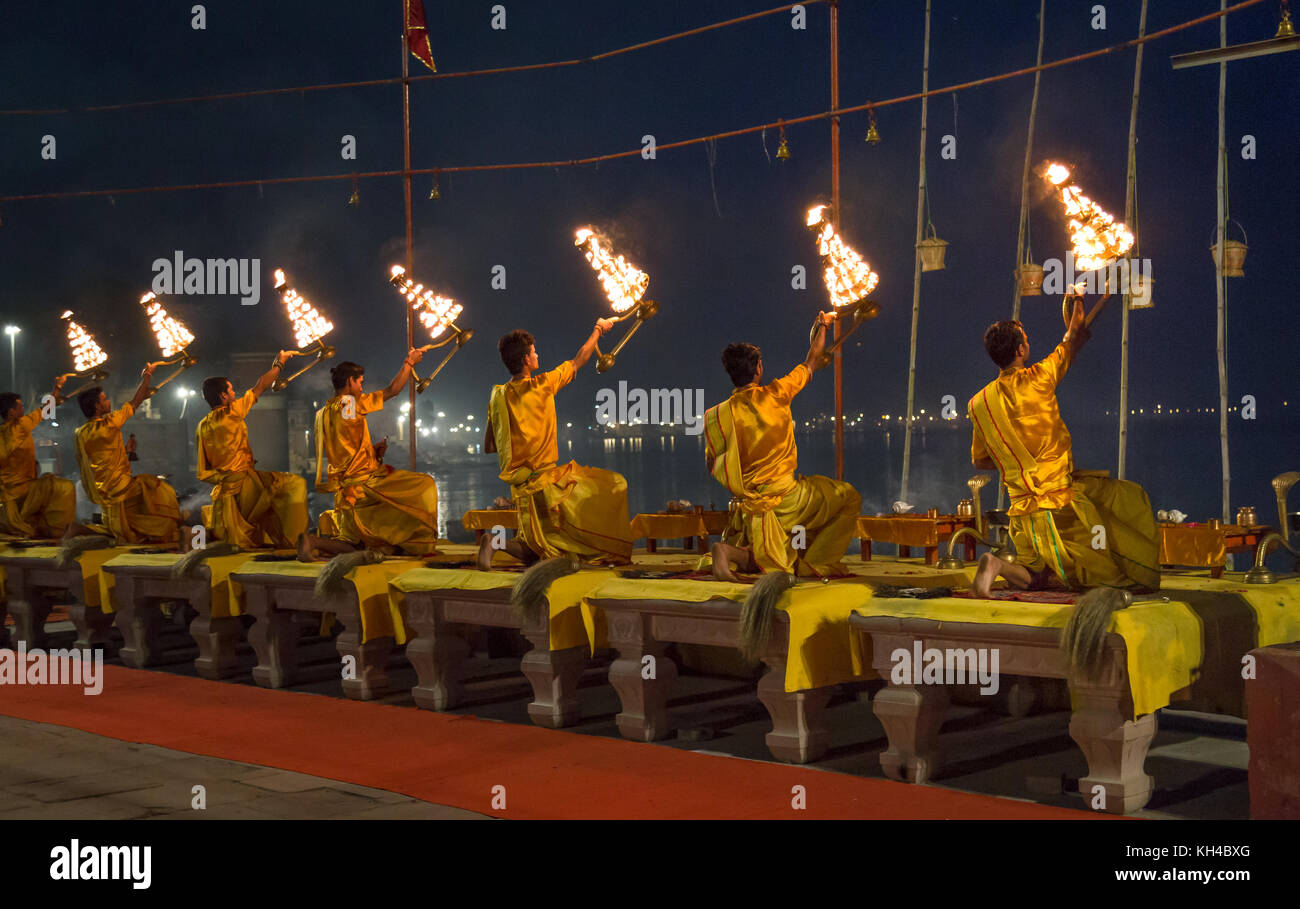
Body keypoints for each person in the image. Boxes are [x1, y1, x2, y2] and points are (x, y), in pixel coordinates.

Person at [968, 294, 1160, 597]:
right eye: (1026, 341)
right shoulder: (1039, 377)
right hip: (1061, 505)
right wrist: (1078, 304)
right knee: (1122, 505)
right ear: (1021, 350)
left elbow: (980, 459)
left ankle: (995, 564)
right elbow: (1071, 342)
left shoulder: (979, 402)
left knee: (1034, 575)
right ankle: (1107, 572)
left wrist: (1016, 458)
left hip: (1020, 510)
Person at [704, 312, 861, 580]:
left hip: (747, 505)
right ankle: (812, 566)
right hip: (788, 498)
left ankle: (730, 553)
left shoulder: (716, 415)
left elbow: (713, 465)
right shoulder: (777, 393)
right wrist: (823, 326)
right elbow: (811, 362)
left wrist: (749, 491)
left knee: (771, 552)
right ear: (759, 369)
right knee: (847, 497)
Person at [477, 320, 634, 570]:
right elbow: (579, 359)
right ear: (527, 360)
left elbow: (490, 445)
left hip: (519, 487)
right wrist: (597, 330)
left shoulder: (498, 395)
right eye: (534, 352)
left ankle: (495, 543)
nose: (537, 355)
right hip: (545, 482)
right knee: (612, 484)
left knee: (537, 549)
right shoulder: (543, 385)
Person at [298, 351, 439, 560]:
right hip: (363, 486)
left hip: (344, 489)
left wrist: (372, 451)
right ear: (349, 382)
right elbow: (392, 390)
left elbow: (346, 447)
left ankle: (314, 542)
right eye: (360, 382)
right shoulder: (349, 405)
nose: (362, 388)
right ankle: (418, 541)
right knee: (425, 485)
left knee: (356, 546)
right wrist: (409, 363)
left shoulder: (324, 412)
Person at [196, 352, 308, 548]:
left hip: (223, 494)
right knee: (294, 484)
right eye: (231, 390)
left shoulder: (202, 425)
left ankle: (284, 543)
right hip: (243, 488)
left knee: (269, 497)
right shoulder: (231, 412)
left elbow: (203, 471)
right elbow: (261, 385)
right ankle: (299, 544)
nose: (234, 393)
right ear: (223, 396)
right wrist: (280, 363)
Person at [74, 364, 181, 544]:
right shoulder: (109, 423)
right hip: (120, 488)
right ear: (97, 406)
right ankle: (172, 519)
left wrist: (128, 452)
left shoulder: (82, 432)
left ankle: (83, 529)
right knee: (154, 485)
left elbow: (105, 456)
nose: (108, 402)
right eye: (104, 399)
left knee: (125, 525)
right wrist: (147, 376)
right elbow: (134, 403)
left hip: (104, 490)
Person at [0, 378, 76, 538]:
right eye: (20, 406)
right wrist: (58, 386)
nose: (23, 408)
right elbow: (47, 409)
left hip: (8, 498)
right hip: (24, 492)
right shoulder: (20, 425)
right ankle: (62, 531)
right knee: (62, 487)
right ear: (11, 412)